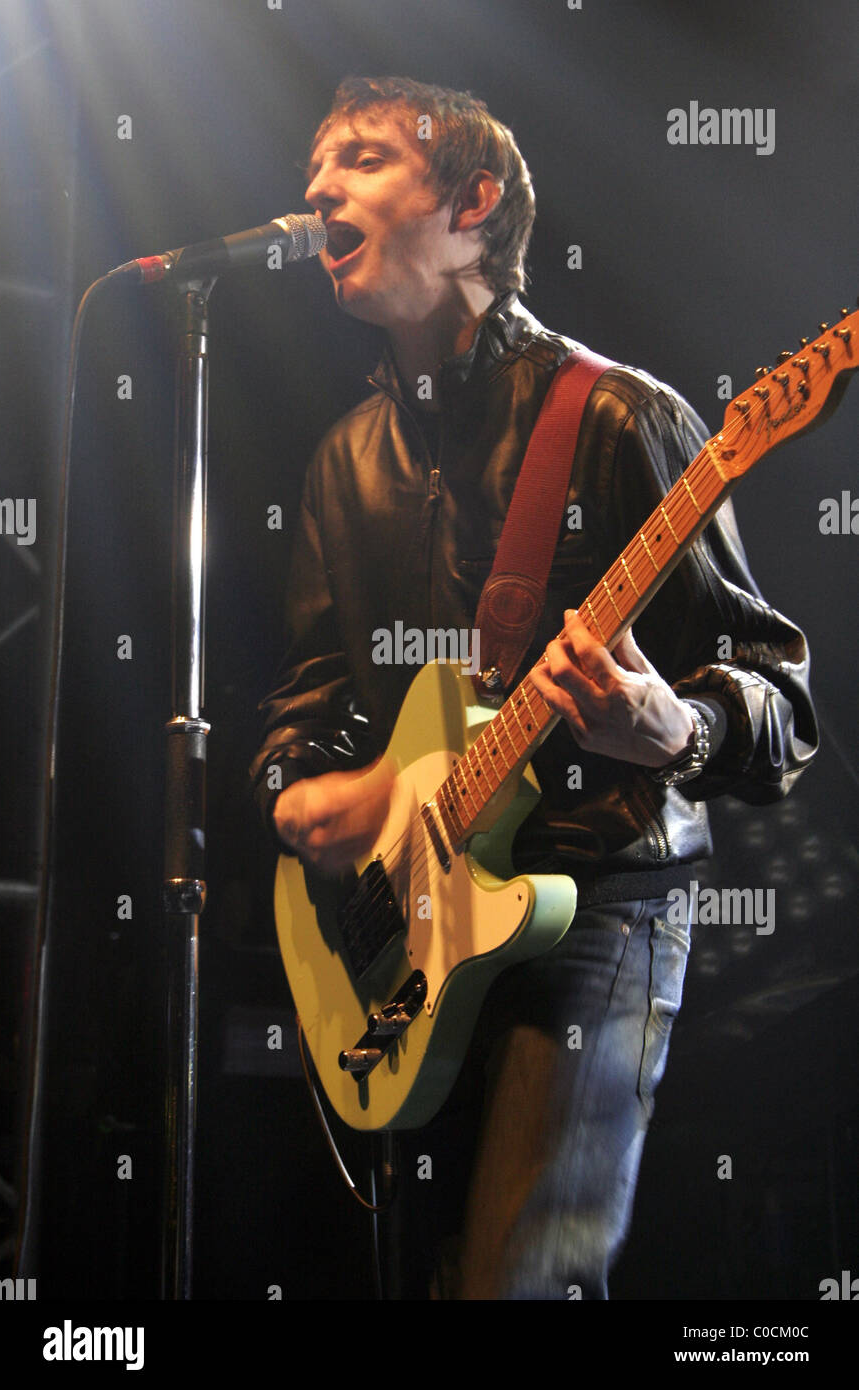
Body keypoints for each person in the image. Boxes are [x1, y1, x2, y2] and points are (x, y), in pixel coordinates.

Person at [250, 76, 817, 1299]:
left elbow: (781, 696)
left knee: (517, 1282)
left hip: (593, 904)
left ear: (473, 204)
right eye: (314, 165)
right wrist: (301, 798)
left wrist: (668, 725)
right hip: (411, 934)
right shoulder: (343, 461)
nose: (314, 189)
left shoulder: (618, 417)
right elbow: (302, 713)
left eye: (358, 158)